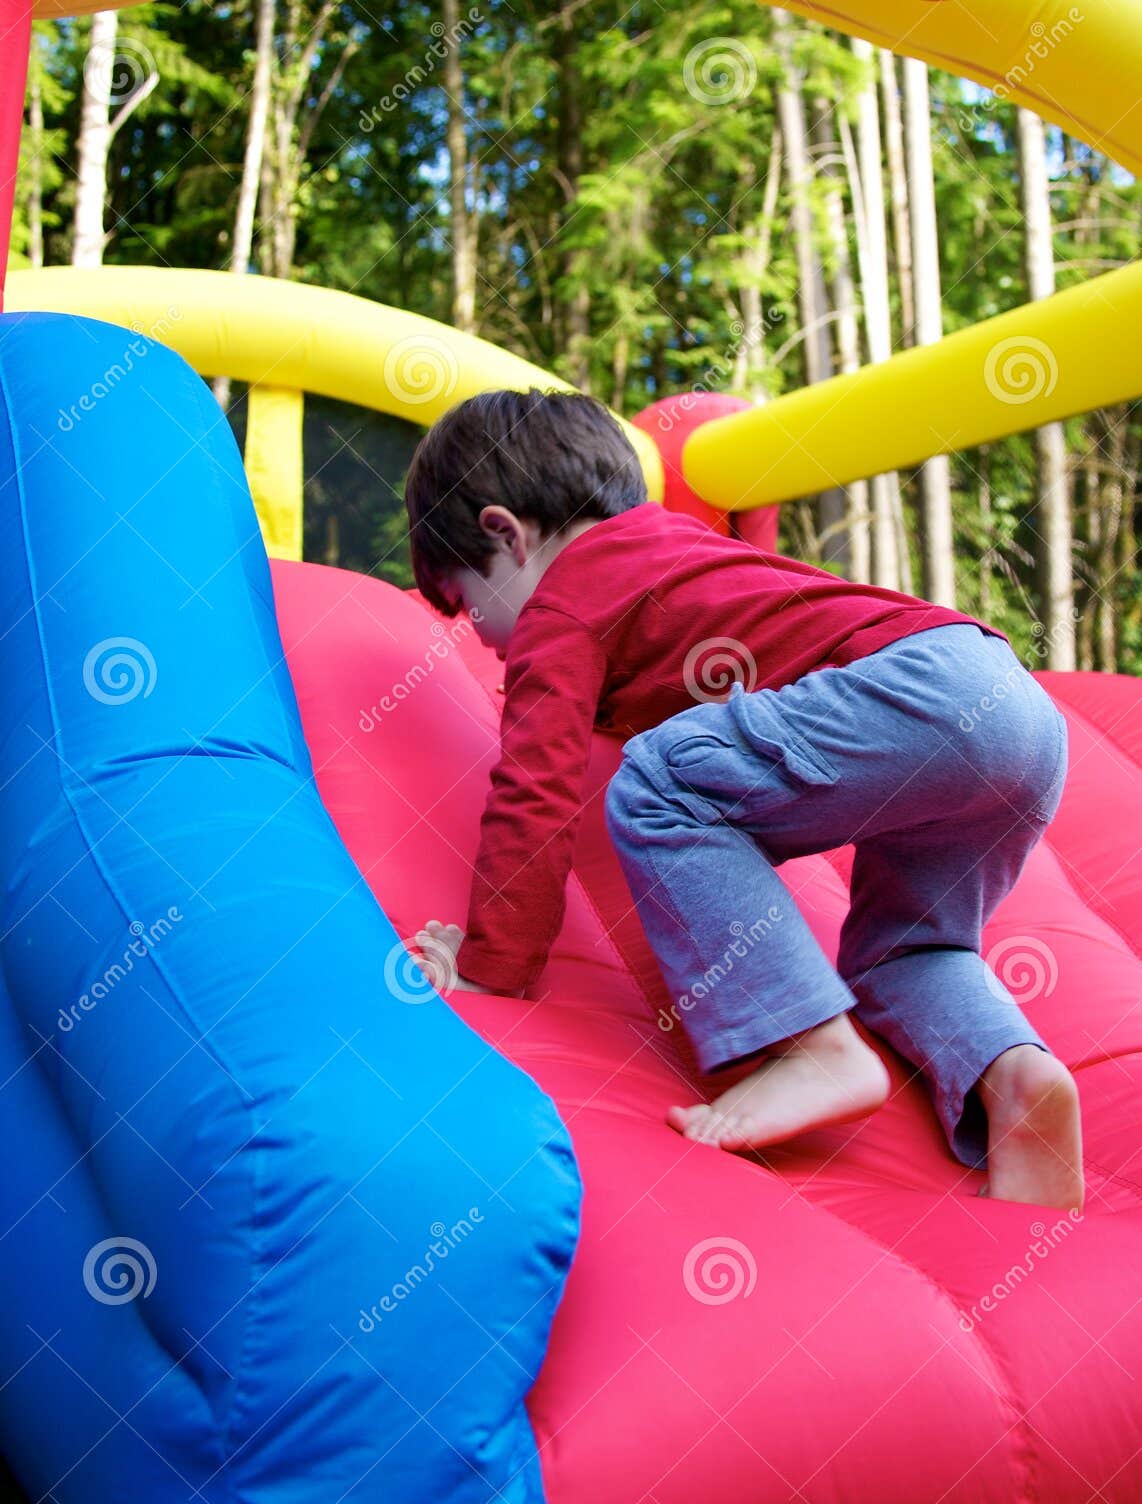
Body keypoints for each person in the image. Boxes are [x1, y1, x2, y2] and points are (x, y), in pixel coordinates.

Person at [405, 387, 1082, 1211]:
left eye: (467, 602)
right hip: (1013, 710)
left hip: (923, 696)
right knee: (908, 952)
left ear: (504, 534)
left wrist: (489, 970)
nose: (477, 633)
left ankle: (810, 1048)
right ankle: (1014, 1077)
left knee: (656, 781)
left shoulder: (564, 601)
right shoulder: (671, 548)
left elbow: (534, 787)